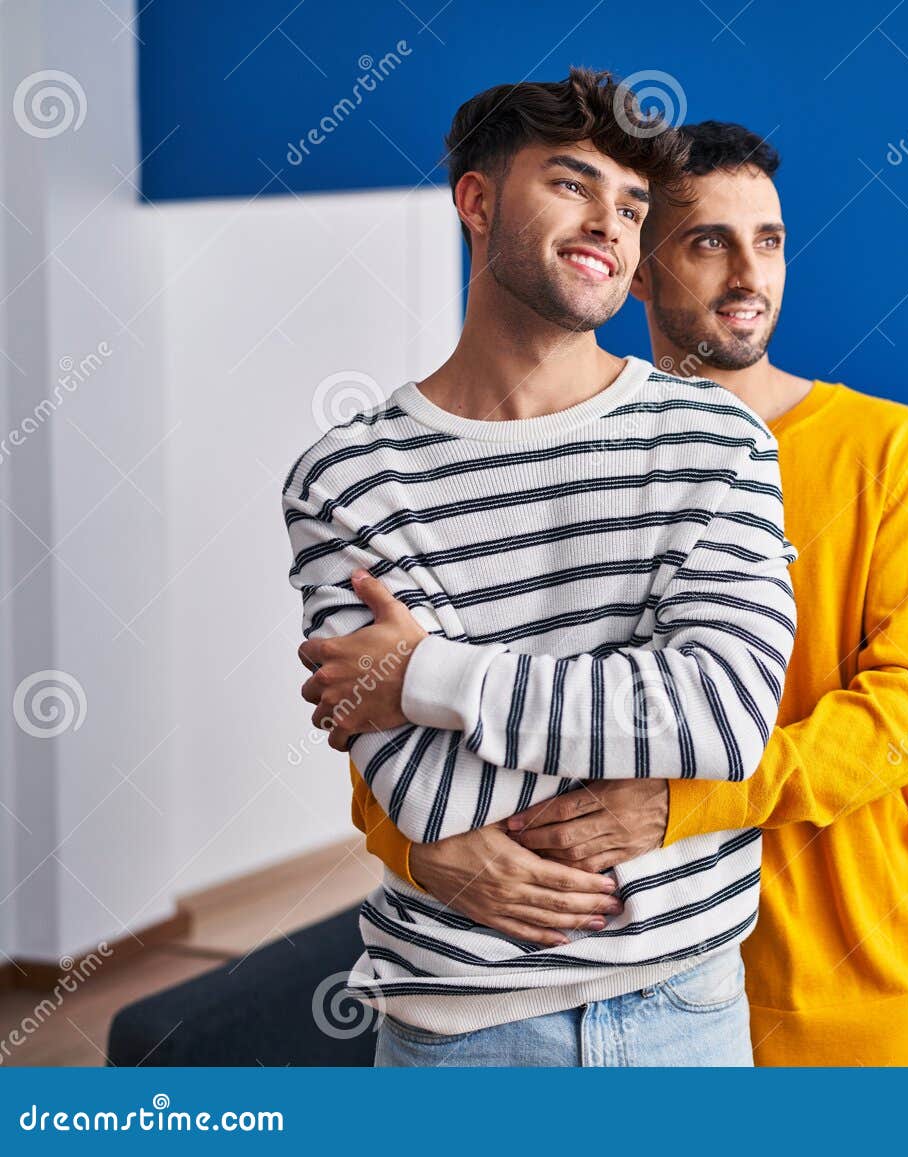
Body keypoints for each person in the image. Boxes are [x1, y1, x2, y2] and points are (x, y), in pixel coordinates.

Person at [351, 120, 908, 1066]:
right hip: (582, 986)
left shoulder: (891, 451)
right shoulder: (532, 452)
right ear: (635, 266)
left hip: (833, 994)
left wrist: (684, 801)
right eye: (709, 241)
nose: (749, 276)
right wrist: (418, 849)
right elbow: (386, 693)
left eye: (769, 241)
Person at [284, 74, 797, 1067]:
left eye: (634, 205)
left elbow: (727, 715)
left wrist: (431, 673)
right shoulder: (347, 476)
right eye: (573, 184)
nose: (610, 219)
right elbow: (432, 800)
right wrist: (629, 714)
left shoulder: (713, 440)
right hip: (459, 1036)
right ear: (475, 200)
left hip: (687, 1019)